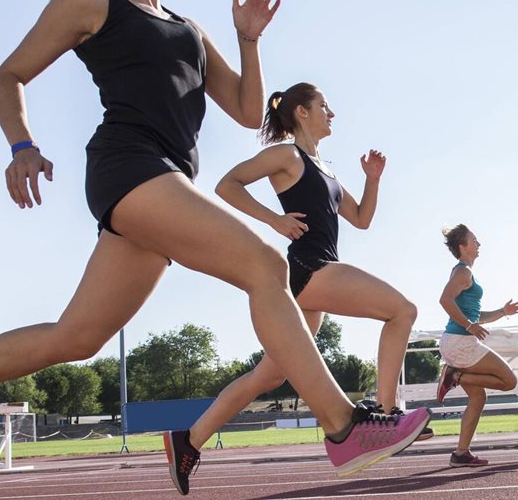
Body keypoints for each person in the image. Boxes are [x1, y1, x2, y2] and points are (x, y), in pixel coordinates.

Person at [0, 0, 429, 486]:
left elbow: (250, 110)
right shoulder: (94, 3)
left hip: (167, 179)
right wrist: (22, 146)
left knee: (76, 338)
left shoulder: (189, 29)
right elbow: (8, 76)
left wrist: (247, 40)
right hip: (129, 167)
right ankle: (342, 426)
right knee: (264, 264)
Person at [163, 83, 430, 494]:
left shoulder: (327, 170)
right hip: (310, 267)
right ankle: (387, 412)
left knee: (265, 377)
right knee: (401, 310)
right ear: (302, 113)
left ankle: (189, 439)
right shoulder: (287, 156)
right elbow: (227, 184)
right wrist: (274, 220)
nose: (332, 113)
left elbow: (360, 218)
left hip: (318, 275)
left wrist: (372, 179)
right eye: (324, 105)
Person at [434, 225, 518, 467]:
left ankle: (460, 453)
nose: (479, 244)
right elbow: (444, 300)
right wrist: (468, 326)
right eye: (474, 241)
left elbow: (477, 316)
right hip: (460, 342)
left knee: (478, 398)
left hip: (457, 341)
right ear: (462, 247)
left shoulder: (466, 275)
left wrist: (502, 312)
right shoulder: (463, 273)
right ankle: (456, 375)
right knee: (509, 381)